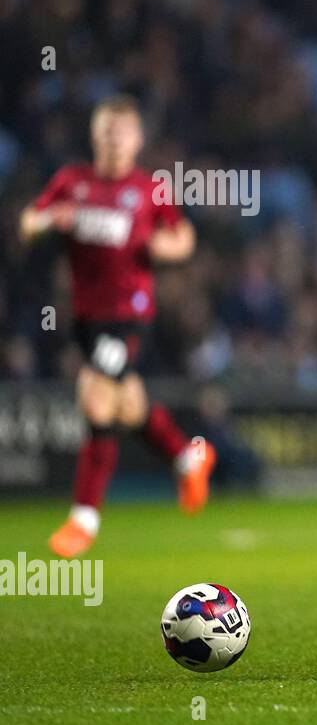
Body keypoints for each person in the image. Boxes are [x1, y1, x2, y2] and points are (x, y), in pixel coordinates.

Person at [18, 95, 216, 558]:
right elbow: (27, 222)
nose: (113, 137)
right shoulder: (72, 182)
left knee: (96, 397)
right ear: (94, 134)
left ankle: (83, 519)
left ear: (137, 139)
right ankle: (189, 456)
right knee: (128, 404)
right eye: (106, 129)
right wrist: (49, 219)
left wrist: (160, 246)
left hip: (131, 314)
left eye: (121, 130)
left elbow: (183, 238)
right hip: (86, 317)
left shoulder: (149, 190)